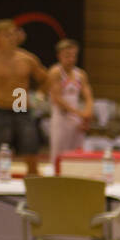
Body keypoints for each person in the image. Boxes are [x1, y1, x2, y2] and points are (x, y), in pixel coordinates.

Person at [0, 20, 50, 176]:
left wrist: (39, 96)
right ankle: (1, 186)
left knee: (30, 150)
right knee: (1, 152)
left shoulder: (27, 59)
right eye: (6, 35)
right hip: (0, 107)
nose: (11, 38)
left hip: (21, 105)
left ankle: (34, 182)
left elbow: (45, 78)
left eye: (13, 34)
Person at [46, 39, 93, 170]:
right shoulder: (55, 72)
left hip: (76, 118)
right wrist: (80, 113)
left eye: (74, 55)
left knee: (76, 153)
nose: (71, 59)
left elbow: (88, 97)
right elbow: (57, 99)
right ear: (59, 56)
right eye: (67, 55)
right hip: (61, 118)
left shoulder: (81, 74)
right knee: (59, 153)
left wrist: (87, 115)